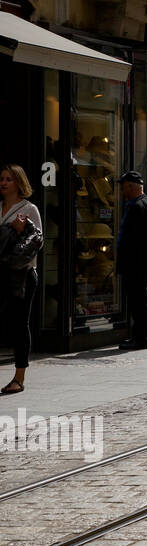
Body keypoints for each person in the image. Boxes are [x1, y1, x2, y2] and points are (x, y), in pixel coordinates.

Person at [0, 165, 42, 395]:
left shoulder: (29, 209)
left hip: (22, 275)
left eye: (9, 179)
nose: (4, 183)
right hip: (1, 273)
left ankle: (19, 376)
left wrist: (18, 231)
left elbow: (36, 242)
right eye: (2, 179)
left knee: (19, 324)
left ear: (19, 183)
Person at [116, 171, 147, 350]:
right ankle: (145, 335)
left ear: (132, 187)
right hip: (140, 262)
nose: (122, 191)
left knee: (137, 301)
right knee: (141, 300)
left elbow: (135, 238)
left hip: (134, 263)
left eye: (124, 187)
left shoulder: (137, 207)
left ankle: (140, 337)